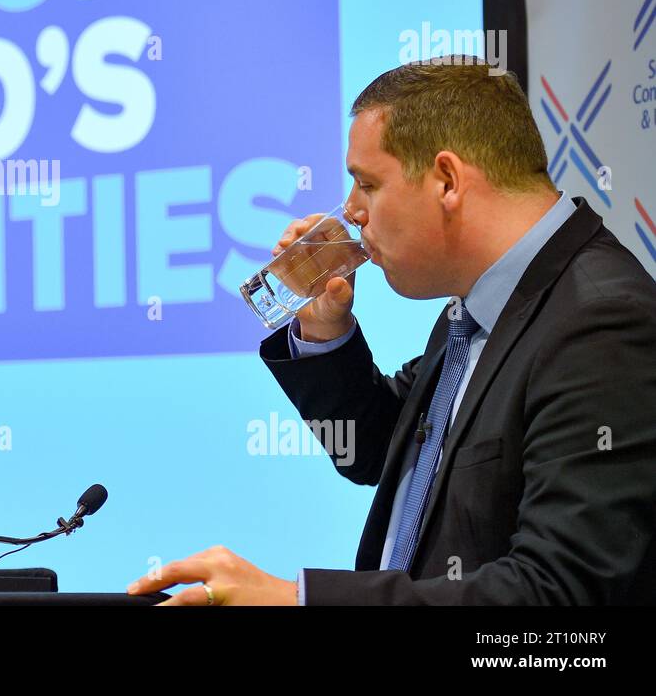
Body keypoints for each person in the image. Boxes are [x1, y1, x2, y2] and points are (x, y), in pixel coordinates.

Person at [127, 59, 656, 605]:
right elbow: (377, 448)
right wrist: (325, 331)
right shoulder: (481, 307)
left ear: (447, 180)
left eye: (367, 183)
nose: (351, 211)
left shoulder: (601, 322)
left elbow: (562, 596)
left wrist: (297, 601)